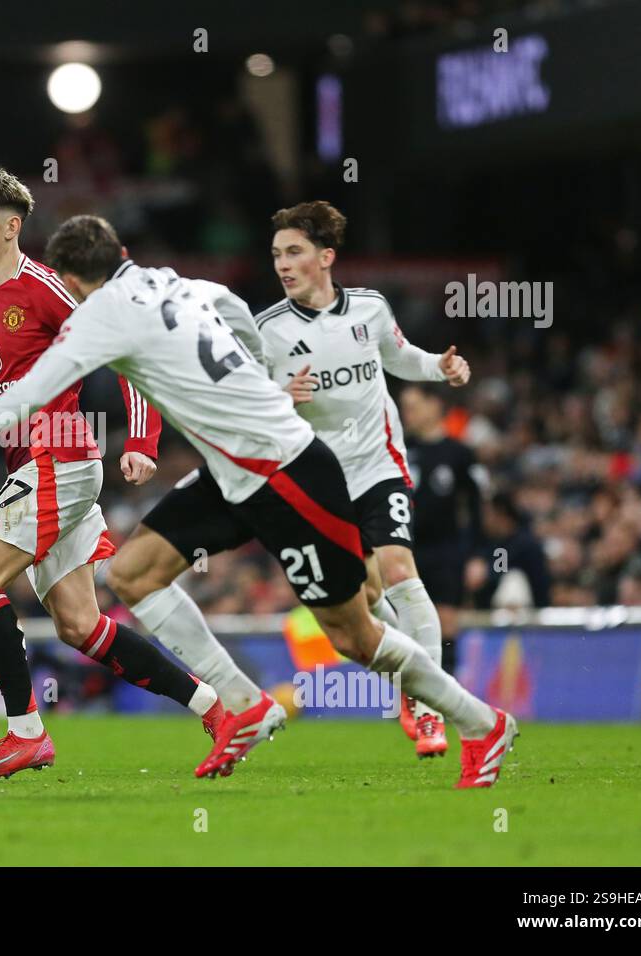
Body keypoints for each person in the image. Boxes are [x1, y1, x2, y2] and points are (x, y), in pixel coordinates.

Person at [0, 214, 518, 789]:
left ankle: (480, 723)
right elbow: (232, 306)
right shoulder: (168, 280)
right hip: (232, 471)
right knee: (132, 572)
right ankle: (243, 703)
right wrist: (261, 371)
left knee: (353, 634)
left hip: (285, 470)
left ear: (72, 281)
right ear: (120, 254)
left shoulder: (97, 318)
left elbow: (19, 400)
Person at [0, 167, 225, 781]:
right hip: (34, 463)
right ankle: (214, 707)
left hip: (61, 457)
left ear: (11, 226)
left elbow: (127, 350)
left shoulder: (47, 288)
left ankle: (25, 733)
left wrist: (142, 438)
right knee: (79, 623)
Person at [256, 200, 470, 758]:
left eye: (295, 251)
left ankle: (429, 708)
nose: (283, 263)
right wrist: (282, 397)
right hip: (319, 480)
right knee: (365, 597)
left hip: (379, 464)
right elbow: (247, 410)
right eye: (278, 253)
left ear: (326, 257)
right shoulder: (268, 331)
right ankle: (408, 683)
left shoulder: (370, 309)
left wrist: (439, 368)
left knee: (400, 570)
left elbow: (400, 358)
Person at [400, 382, 485, 677]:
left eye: (413, 406)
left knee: (447, 622)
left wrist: (477, 555)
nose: (407, 414)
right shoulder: (400, 449)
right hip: (405, 551)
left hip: (446, 550)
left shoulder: (459, 454)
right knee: (408, 625)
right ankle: (411, 700)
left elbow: (475, 508)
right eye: (404, 408)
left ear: (434, 405)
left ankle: (447, 695)